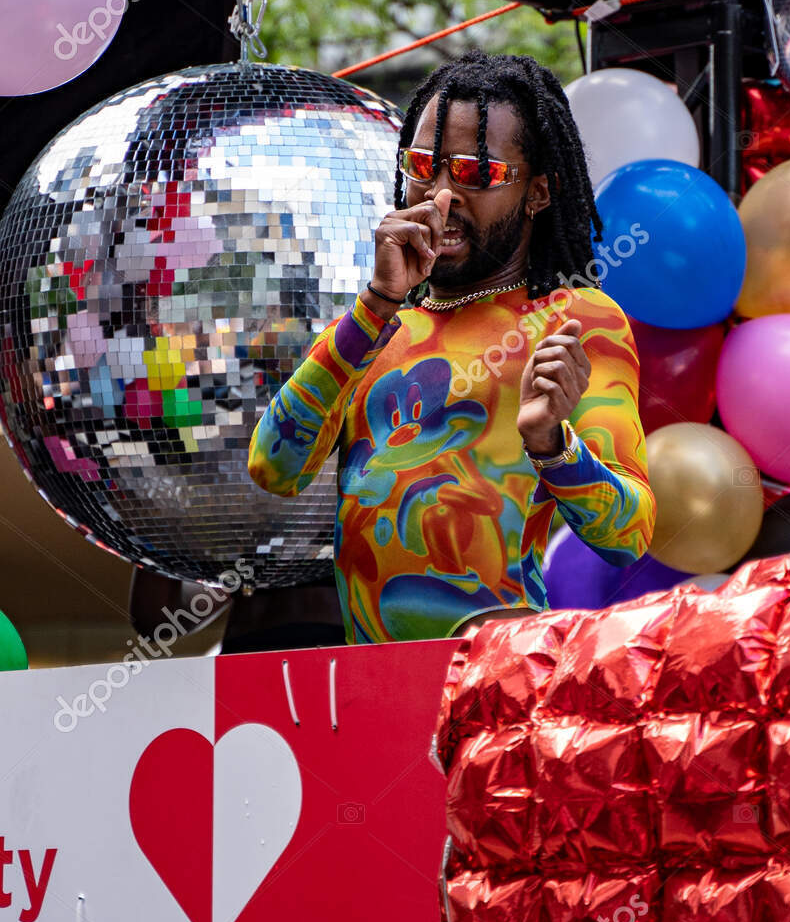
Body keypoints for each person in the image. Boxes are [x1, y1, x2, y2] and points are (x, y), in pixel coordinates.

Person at [248, 50, 656, 643]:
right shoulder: (372, 327)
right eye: (424, 165)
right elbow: (273, 469)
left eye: (476, 174)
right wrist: (377, 304)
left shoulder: (576, 319)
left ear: (539, 192)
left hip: (494, 692)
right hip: (373, 695)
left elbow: (629, 536)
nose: (439, 195)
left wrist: (551, 445)